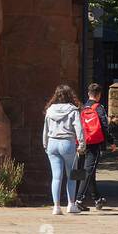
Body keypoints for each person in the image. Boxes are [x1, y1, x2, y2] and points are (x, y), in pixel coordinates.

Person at [42, 84, 85, 215]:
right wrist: (82, 144)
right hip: (68, 143)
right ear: (69, 95)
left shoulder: (49, 110)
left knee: (56, 177)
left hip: (52, 143)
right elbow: (79, 128)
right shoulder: (73, 110)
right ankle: (71, 205)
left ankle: (56, 206)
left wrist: (45, 144)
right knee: (71, 176)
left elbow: (46, 129)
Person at [75, 83, 113, 210]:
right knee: (88, 171)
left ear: (88, 94)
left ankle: (97, 199)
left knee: (85, 170)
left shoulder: (82, 108)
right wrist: (111, 141)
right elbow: (104, 126)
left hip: (82, 142)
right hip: (95, 143)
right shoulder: (99, 107)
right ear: (99, 95)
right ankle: (79, 199)